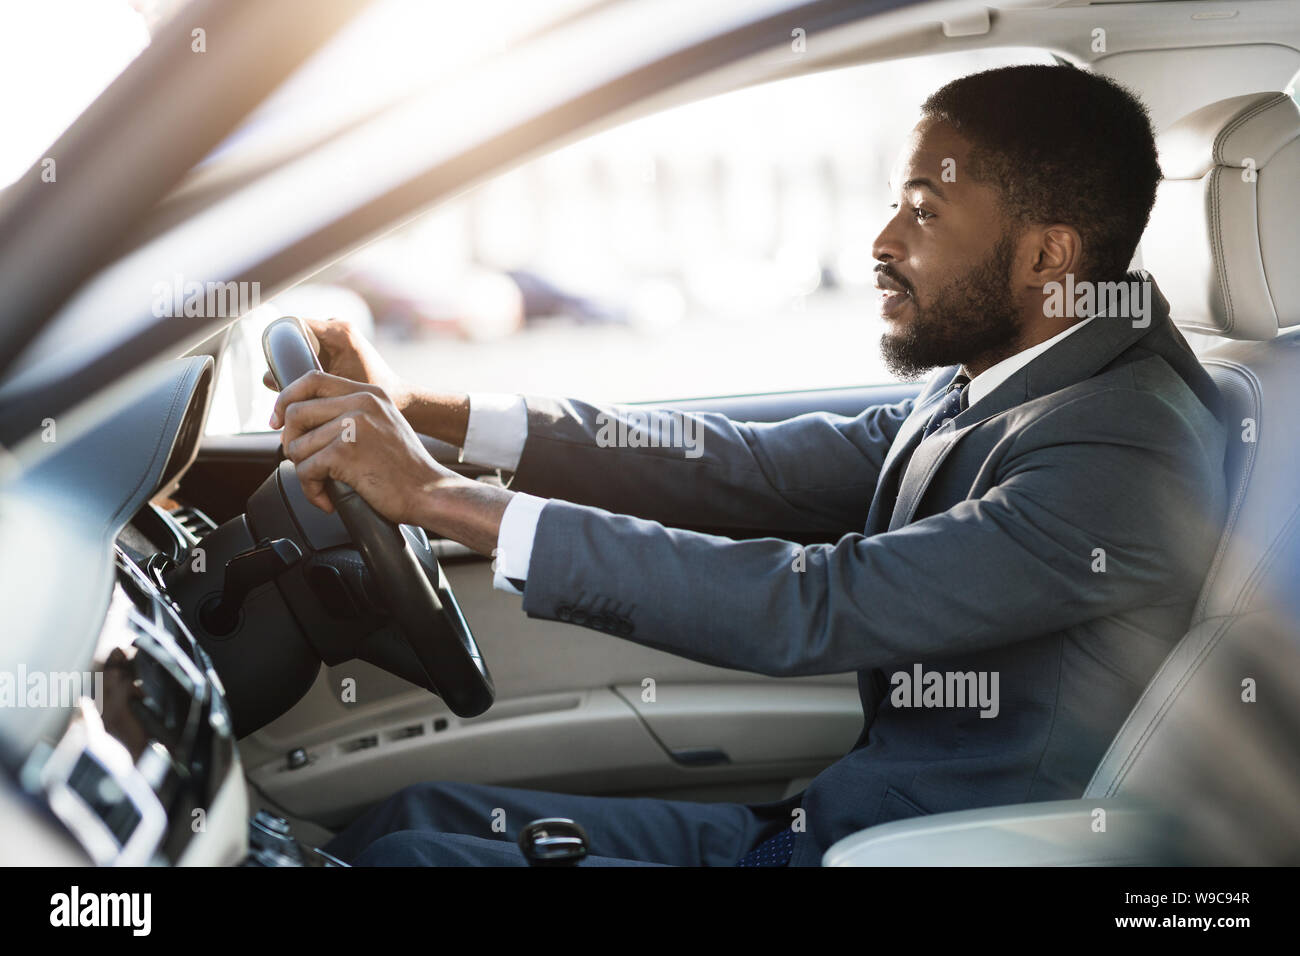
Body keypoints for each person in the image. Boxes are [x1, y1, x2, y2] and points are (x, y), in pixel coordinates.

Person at [266, 65, 1228, 866]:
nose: (884, 243)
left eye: (925, 213)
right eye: (897, 203)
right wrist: (421, 410)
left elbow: (813, 605)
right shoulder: (1010, 376)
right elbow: (738, 466)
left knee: (409, 864)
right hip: (832, 824)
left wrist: (439, 499)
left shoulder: (1125, 447)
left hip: (913, 851)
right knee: (414, 818)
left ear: (1047, 256)